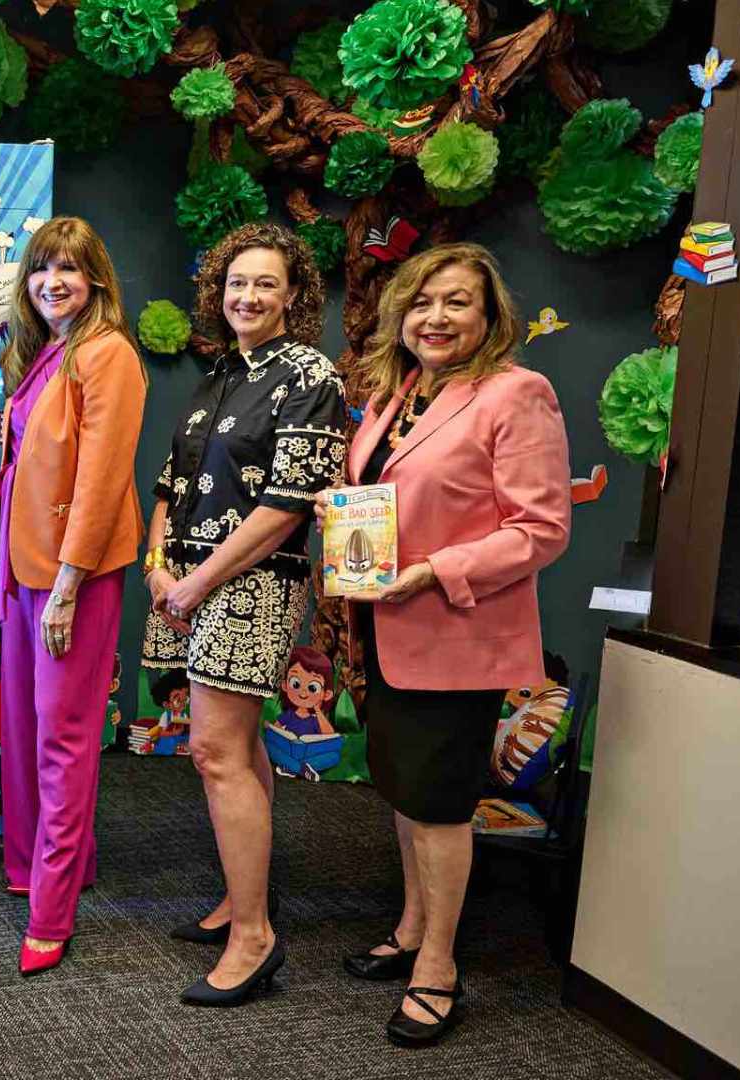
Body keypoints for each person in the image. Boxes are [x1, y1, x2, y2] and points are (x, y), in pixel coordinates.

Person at [331, 243, 569, 1046]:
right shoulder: (398, 393)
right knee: (405, 792)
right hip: (386, 630)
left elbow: (540, 529)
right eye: (423, 301)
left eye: (457, 302)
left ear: (489, 315)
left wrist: (436, 569)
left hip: (456, 636)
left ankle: (438, 967)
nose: (436, 317)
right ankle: (407, 929)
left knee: (438, 807)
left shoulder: (516, 393)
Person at [140, 222, 346, 1005]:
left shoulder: (308, 374)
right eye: (236, 284)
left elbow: (288, 506)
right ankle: (240, 900)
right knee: (238, 746)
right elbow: (169, 481)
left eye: (265, 283)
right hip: (186, 579)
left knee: (214, 754)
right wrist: (160, 568)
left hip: (252, 583)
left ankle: (255, 938)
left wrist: (197, 585)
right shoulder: (221, 370)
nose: (248, 296)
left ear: (294, 294)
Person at [0, 215, 147, 976]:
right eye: (43, 268)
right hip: (25, 573)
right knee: (21, 728)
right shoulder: (51, 350)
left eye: (70, 270)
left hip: (69, 581)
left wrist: (70, 586)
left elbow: (103, 479)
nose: (54, 281)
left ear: (97, 282)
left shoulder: (108, 354)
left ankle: (52, 915)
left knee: (63, 739)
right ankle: (41, 867)